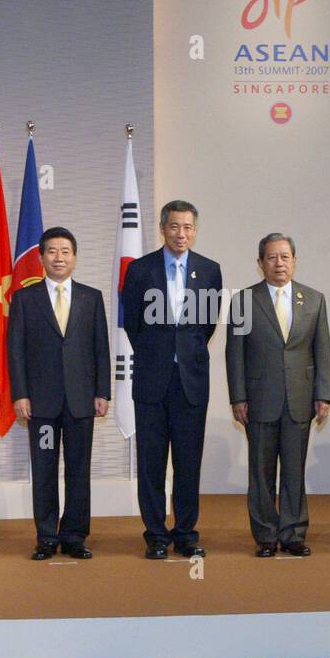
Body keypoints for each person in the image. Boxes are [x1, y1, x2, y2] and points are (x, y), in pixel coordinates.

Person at [121, 200, 223, 559]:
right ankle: (156, 535)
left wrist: (182, 352)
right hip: (151, 379)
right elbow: (132, 323)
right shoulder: (140, 270)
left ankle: (186, 533)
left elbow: (206, 327)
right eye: (175, 227)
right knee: (151, 463)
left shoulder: (210, 270)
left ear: (195, 230)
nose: (182, 234)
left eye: (189, 227)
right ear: (163, 228)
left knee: (188, 461)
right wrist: (158, 353)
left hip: (190, 382)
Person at [226, 233, 330, 556]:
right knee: (260, 472)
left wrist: (324, 394)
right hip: (258, 399)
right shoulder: (244, 301)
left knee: (294, 470)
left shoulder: (314, 300)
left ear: (295, 260)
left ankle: (294, 533)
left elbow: (322, 351)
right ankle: (266, 536)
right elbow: (235, 355)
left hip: (300, 399)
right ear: (260, 263)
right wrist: (238, 397)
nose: (279, 263)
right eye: (271, 257)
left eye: (285, 256)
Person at [8, 227, 111, 560]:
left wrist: (102, 392)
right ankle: (47, 536)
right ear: (40, 258)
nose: (59, 257)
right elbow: (16, 351)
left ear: (75, 257)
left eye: (65, 251)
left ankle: (75, 535)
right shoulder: (25, 299)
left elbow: (101, 350)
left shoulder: (91, 297)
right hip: (43, 404)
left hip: (81, 401)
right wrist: (20, 394)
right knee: (45, 468)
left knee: (79, 469)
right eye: (52, 251)